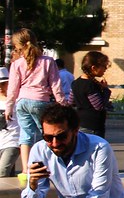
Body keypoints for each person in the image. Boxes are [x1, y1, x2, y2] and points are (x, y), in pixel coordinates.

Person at [5, 28, 67, 174]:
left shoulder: (17, 64)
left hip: (22, 102)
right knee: (46, 134)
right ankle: (47, 165)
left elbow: (13, 88)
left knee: (25, 135)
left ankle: (27, 170)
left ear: (18, 46)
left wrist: (9, 107)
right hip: (40, 100)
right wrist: (62, 103)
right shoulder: (48, 62)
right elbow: (55, 84)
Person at [71, 51, 113, 138]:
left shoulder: (75, 83)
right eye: (104, 66)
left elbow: (71, 101)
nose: (105, 69)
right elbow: (98, 106)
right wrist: (105, 90)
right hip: (93, 125)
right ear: (93, 68)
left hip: (80, 123)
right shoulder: (90, 85)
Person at [0, 67, 19, 177]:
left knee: (2, 173)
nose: (0, 87)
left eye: (3, 84)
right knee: (9, 177)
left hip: (12, 141)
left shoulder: (16, 101)